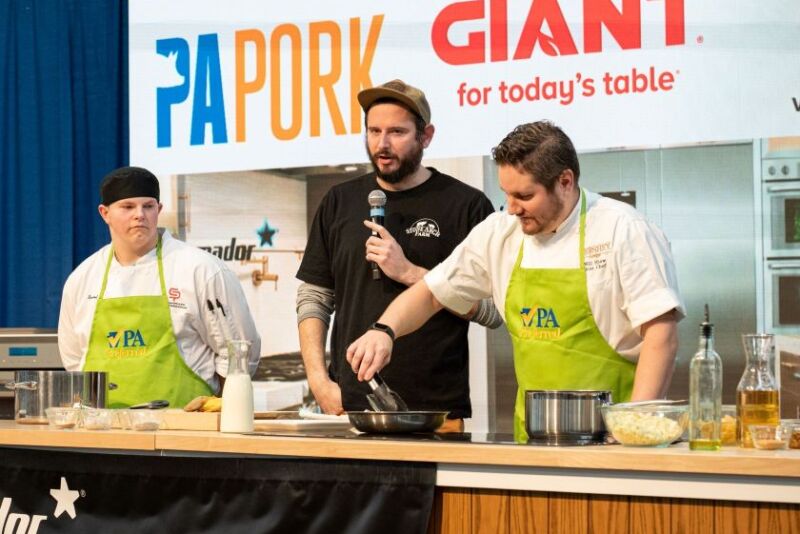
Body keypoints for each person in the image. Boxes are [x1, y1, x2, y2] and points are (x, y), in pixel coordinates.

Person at [346, 121, 685, 440]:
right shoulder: (500, 232)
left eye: (524, 196)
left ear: (565, 182)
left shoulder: (623, 230)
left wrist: (632, 426)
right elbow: (433, 293)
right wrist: (385, 330)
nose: (511, 208)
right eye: (506, 194)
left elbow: (661, 334)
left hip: (613, 437)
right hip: (534, 435)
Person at [296, 79, 501, 430]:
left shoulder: (466, 206)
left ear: (426, 136)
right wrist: (318, 380)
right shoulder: (338, 201)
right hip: (349, 408)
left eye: (397, 132)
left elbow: (494, 311)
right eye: (374, 131)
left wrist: (410, 273)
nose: (383, 144)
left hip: (435, 413)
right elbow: (314, 296)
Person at [58, 166, 261, 408]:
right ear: (105, 213)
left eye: (148, 206)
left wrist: (219, 408)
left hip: (183, 425)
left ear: (159, 209)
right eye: (127, 207)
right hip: (102, 425)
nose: (139, 215)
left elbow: (240, 352)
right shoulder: (82, 279)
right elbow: (74, 360)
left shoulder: (202, 270)